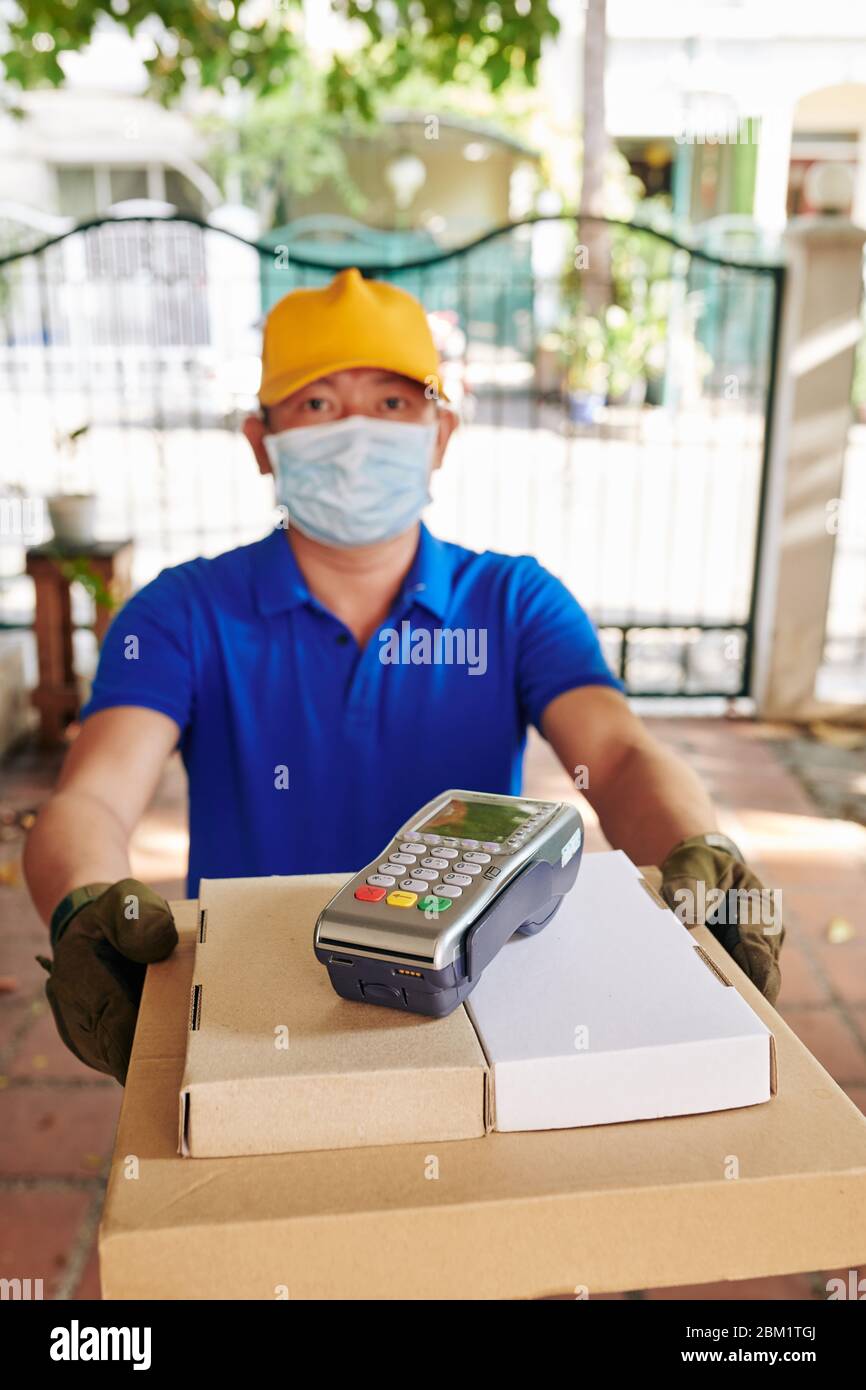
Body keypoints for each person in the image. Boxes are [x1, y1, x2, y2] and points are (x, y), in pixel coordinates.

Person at [24, 268, 784, 1083]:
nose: (356, 432)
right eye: (317, 403)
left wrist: (696, 846)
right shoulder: (182, 614)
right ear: (260, 440)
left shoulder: (515, 603)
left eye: (392, 403)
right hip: (247, 1003)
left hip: (478, 992)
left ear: (440, 433)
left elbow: (620, 754)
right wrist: (83, 906)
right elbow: (94, 795)